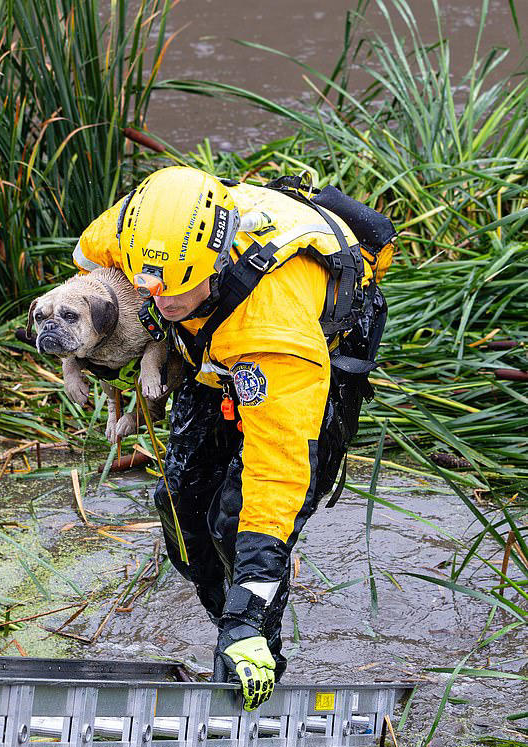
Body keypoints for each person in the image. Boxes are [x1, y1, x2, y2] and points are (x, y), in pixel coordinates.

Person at [72, 165, 388, 710]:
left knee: (235, 521)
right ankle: (237, 634)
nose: (160, 299)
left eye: (176, 284)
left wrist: (248, 612)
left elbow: (277, 476)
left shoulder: (273, 330)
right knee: (182, 506)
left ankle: (251, 642)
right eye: (150, 282)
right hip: (212, 350)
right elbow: (85, 261)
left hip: (310, 359)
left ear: (216, 261)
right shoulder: (132, 233)